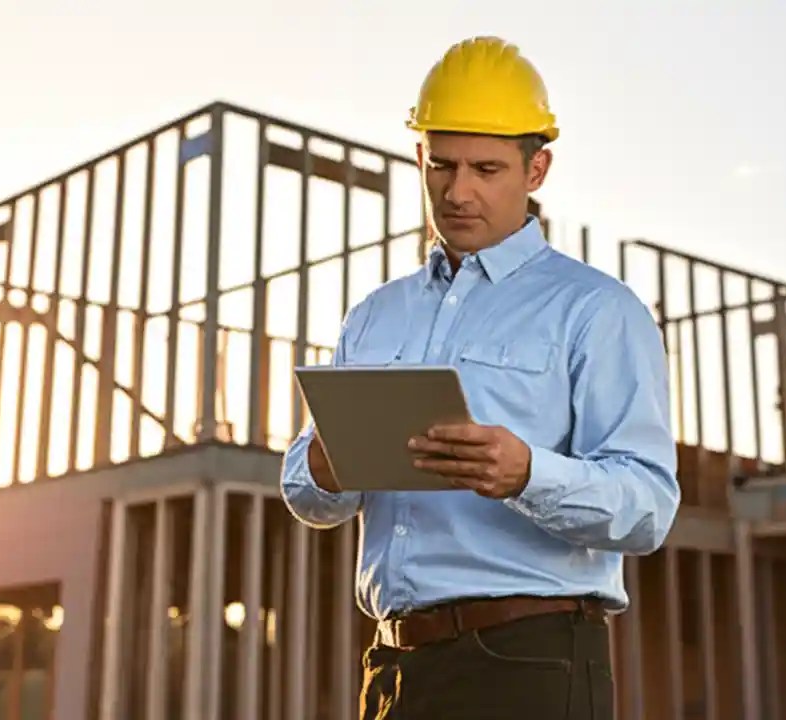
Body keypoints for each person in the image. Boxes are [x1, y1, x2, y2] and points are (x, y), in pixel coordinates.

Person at [280, 36, 680, 719]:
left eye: (486, 168)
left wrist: (528, 473)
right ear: (419, 159)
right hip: (392, 666)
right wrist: (326, 459)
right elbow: (310, 498)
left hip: (530, 662)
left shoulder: (596, 310)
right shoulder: (376, 315)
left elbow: (649, 507)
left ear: (537, 169)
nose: (458, 191)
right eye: (442, 165)